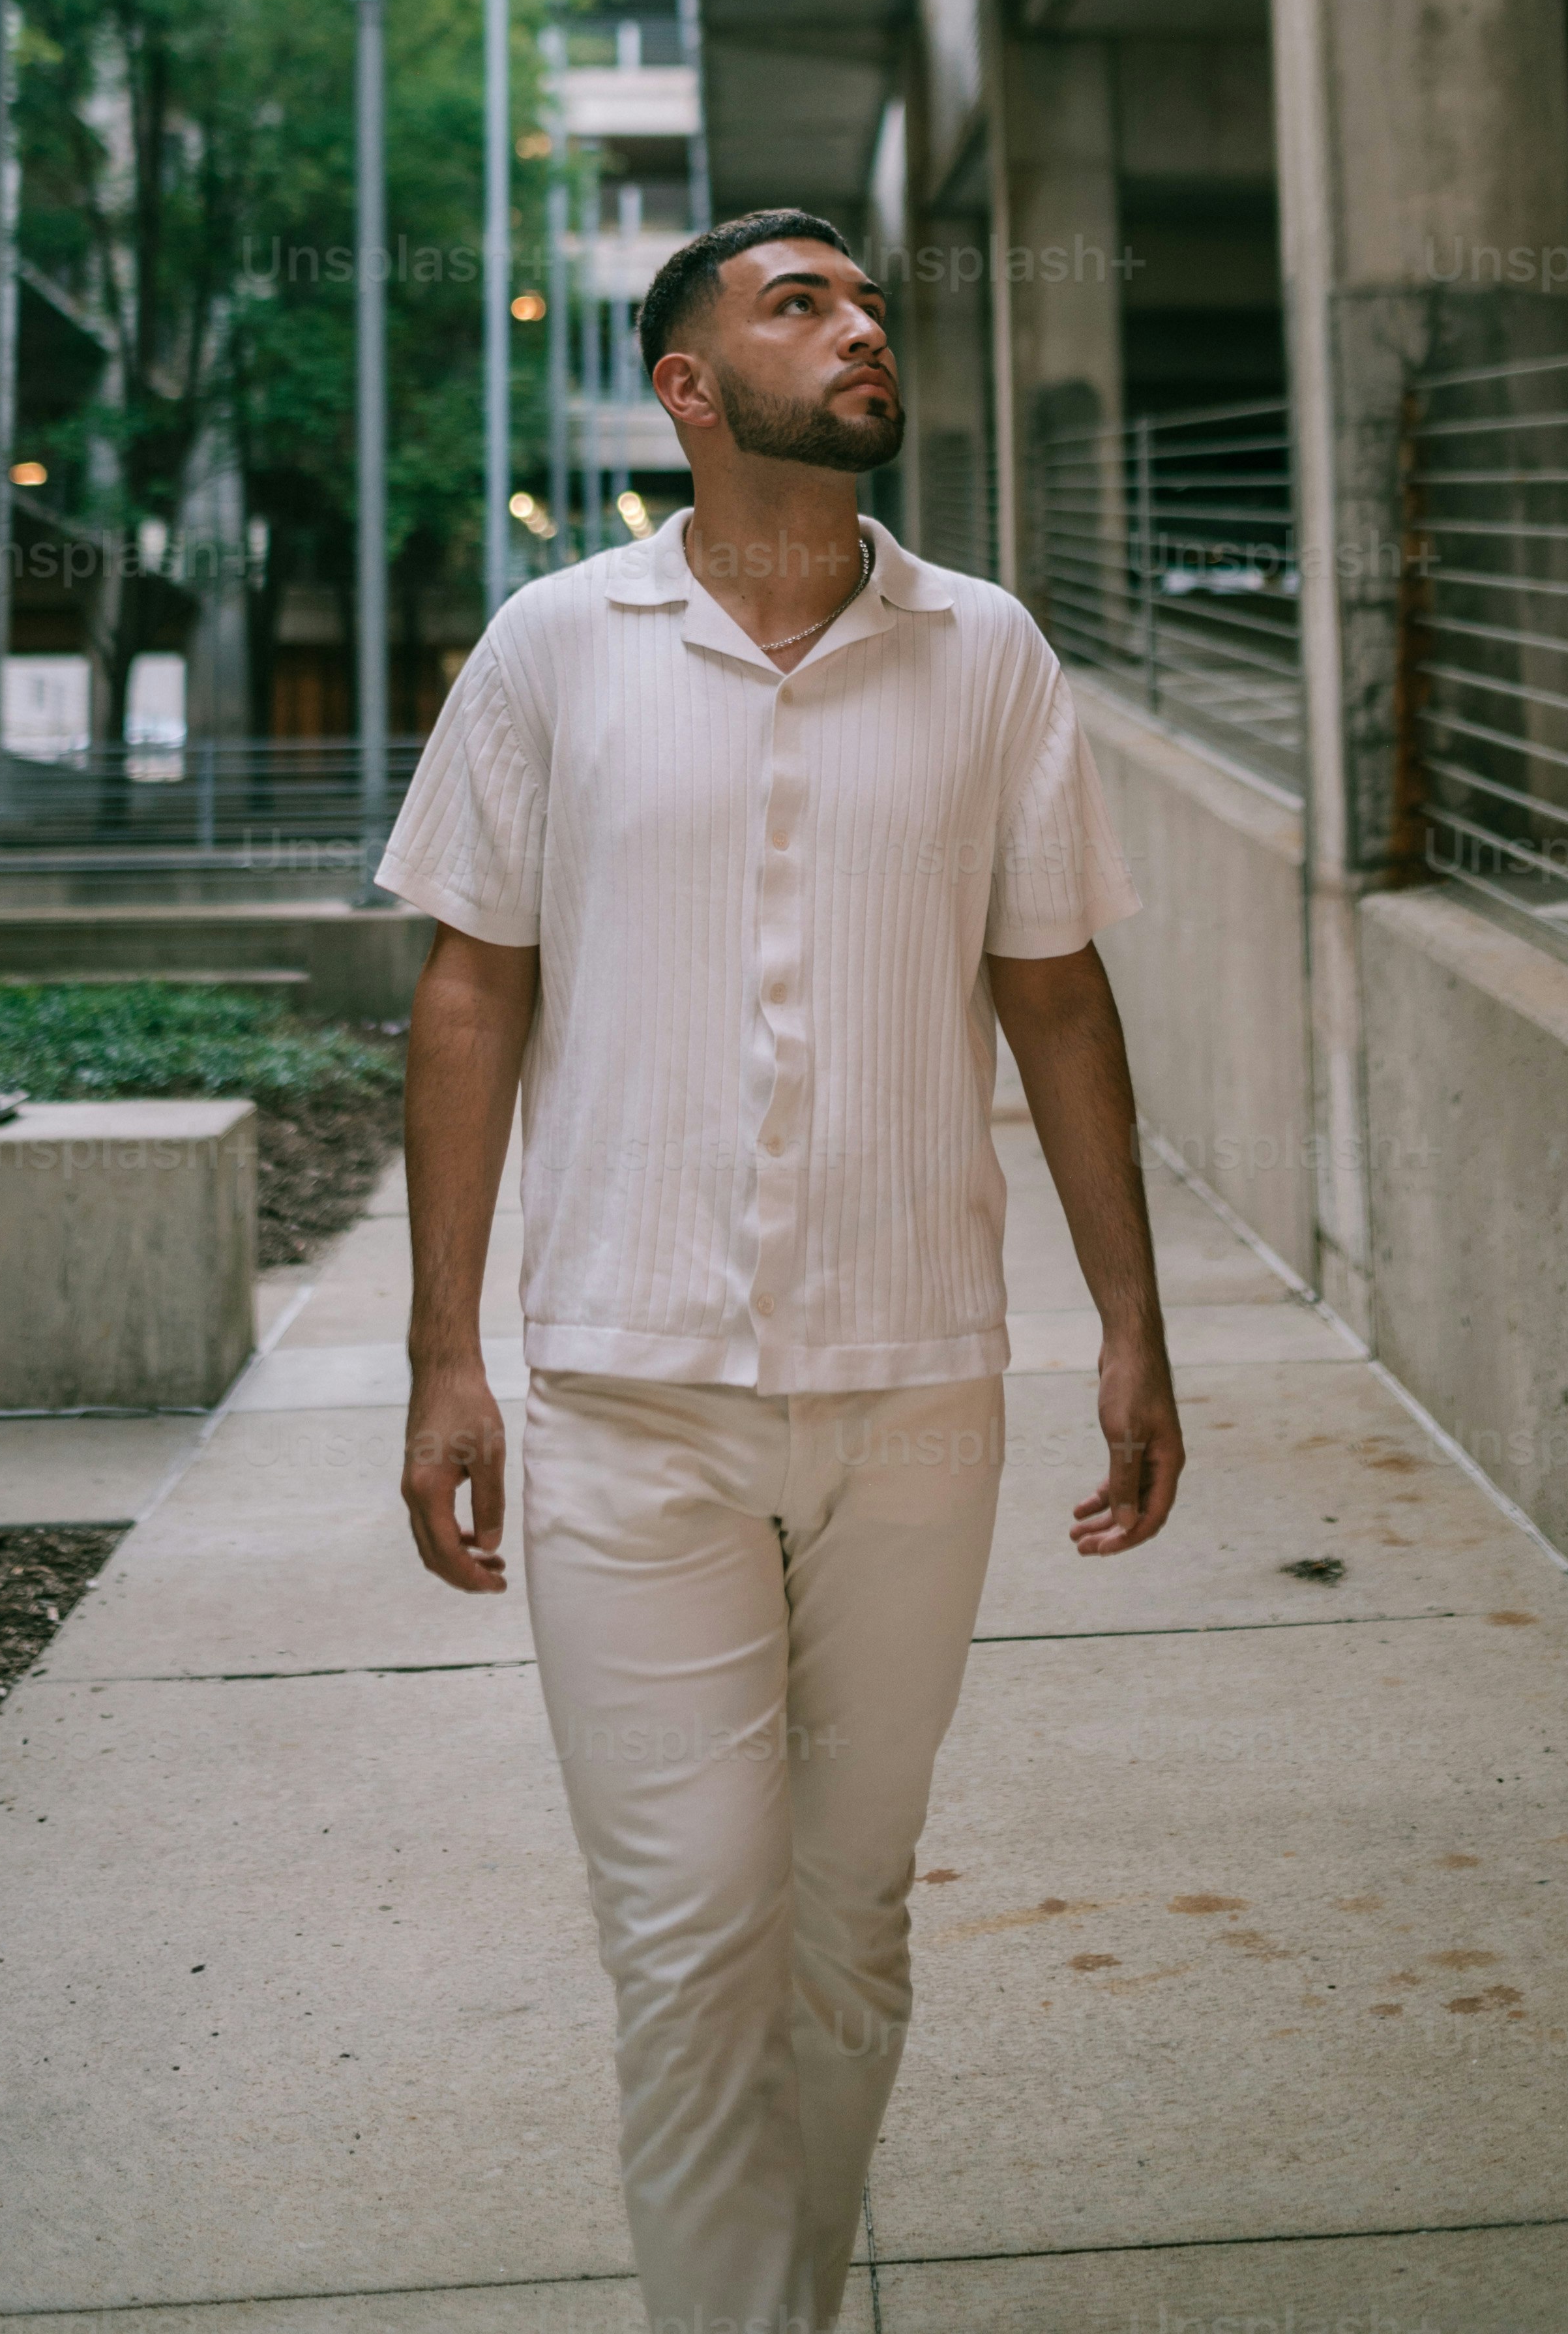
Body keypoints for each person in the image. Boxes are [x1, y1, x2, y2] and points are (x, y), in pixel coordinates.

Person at [382, 207, 1184, 2334]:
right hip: (629, 1398)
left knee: (846, 1926)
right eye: (798, 304)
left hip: (919, 1390)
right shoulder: (555, 644)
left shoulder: (986, 651)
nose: (859, 329)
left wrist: (1132, 1323)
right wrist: (443, 1357)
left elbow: (1058, 996)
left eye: (869, 304)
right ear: (687, 387)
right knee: (692, 1940)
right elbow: (470, 990)